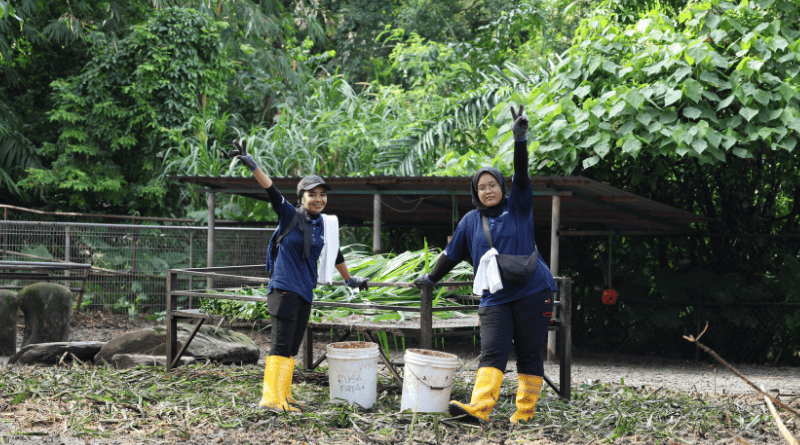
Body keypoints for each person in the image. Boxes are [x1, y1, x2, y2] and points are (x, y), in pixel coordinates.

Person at [413, 105, 557, 424]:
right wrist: (429, 278)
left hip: (533, 289)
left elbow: (521, 173)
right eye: (482, 186)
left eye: (493, 185)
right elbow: (451, 255)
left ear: (502, 188)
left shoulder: (518, 205)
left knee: (531, 353)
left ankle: (524, 414)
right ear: (475, 192)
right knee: (492, 350)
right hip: (494, 296)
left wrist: (520, 138)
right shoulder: (470, 221)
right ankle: (479, 409)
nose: (488, 190)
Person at [227, 139, 369, 412]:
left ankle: (284, 395)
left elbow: (335, 255)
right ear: (301, 197)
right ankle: (271, 399)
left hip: (305, 290)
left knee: (292, 346)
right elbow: (271, 189)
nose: (318, 199)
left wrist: (350, 280)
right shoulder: (289, 214)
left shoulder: (325, 225)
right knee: (280, 343)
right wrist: (254, 166)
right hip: (284, 289)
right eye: (312, 194)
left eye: (322, 194)